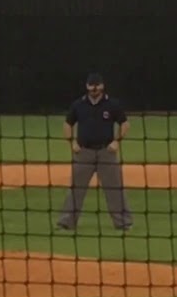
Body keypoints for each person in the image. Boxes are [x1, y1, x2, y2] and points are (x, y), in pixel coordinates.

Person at [56, 73, 133, 232]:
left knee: (114, 188)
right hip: (84, 152)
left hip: (106, 152)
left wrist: (116, 141)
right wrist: (72, 143)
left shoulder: (112, 104)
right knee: (76, 188)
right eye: (91, 85)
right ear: (87, 86)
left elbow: (125, 124)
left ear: (102, 86)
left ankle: (123, 223)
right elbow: (67, 124)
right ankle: (67, 222)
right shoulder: (79, 105)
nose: (94, 89)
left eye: (97, 85)